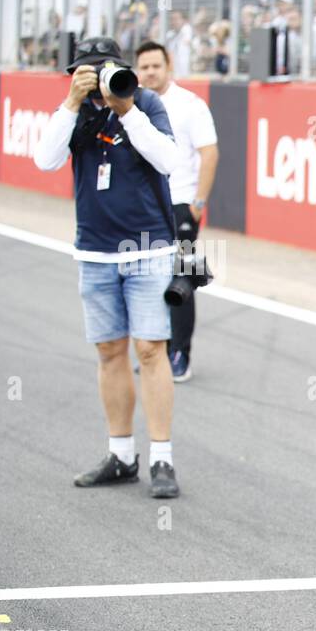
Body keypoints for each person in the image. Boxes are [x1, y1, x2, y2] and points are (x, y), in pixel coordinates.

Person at [32, 37, 182, 499]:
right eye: (87, 71)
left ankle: (161, 459)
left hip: (148, 247)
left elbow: (169, 160)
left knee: (151, 351)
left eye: (103, 69)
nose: (97, 79)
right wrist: (71, 103)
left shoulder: (147, 101)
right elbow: (45, 159)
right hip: (95, 251)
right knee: (109, 353)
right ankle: (121, 455)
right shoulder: (75, 111)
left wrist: (127, 109)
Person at [135, 41, 219, 384]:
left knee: (181, 277)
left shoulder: (189, 105)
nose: (151, 72)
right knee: (148, 280)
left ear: (168, 65)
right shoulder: (132, 103)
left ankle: (180, 353)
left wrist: (199, 202)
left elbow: (209, 153)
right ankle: (158, 348)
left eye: (156, 65)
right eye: (145, 67)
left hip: (181, 202)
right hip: (144, 207)